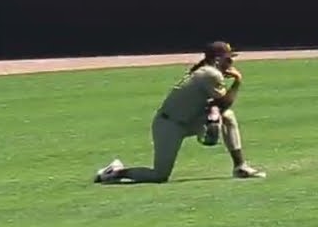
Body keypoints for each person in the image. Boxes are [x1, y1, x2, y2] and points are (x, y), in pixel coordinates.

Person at [94, 41, 266, 185]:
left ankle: (240, 166)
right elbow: (224, 103)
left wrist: (212, 120)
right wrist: (237, 81)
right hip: (169, 125)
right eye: (228, 59)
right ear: (217, 59)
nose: (231, 63)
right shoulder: (210, 74)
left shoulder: (207, 72)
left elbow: (216, 106)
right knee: (159, 176)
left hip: (188, 120)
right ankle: (116, 172)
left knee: (228, 117)